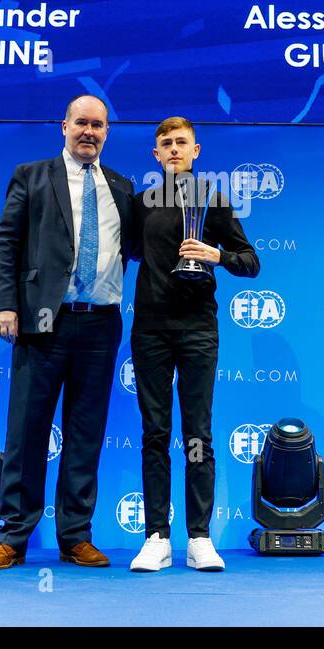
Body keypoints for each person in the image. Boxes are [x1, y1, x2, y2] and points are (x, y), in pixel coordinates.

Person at [0, 94, 135, 570]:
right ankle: (14, 535)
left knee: (85, 433)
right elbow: (7, 241)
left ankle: (75, 535)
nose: (89, 132)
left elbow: (137, 248)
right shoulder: (31, 175)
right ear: (64, 126)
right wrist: (6, 304)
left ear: (107, 132)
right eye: (81, 123)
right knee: (27, 431)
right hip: (42, 322)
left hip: (100, 322)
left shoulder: (121, 187)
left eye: (99, 125)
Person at [128, 117, 260, 572]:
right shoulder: (140, 203)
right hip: (149, 328)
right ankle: (156, 538)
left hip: (199, 329)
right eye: (165, 144)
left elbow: (251, 262)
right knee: (155, 434)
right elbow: (121, 252)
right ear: (156, 155)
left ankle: (199, 537)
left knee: (198, 434)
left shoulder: (215, 200)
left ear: (196, 151)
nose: (174, 150)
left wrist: (217, 256)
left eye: (181, 143)